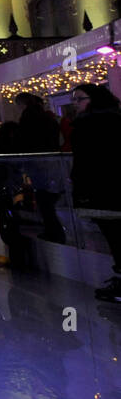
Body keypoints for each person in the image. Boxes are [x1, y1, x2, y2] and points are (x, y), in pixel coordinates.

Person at [68, 83, 121, 302]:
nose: (76, 104)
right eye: (74, 100)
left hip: (101, 190)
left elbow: (85, 160)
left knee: (114, 236)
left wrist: (78, 184)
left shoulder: (88, 124)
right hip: (111, 188)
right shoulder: (115, 118)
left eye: (80, 99)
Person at [14, 92, 66, 242]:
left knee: (44, 200)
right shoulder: (48, 118)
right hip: (51, 160)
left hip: (38, 163)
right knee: (48, 199)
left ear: (21, 105)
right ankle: (54, 231)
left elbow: (22, 141)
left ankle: (53, 231)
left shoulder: (28, 119)